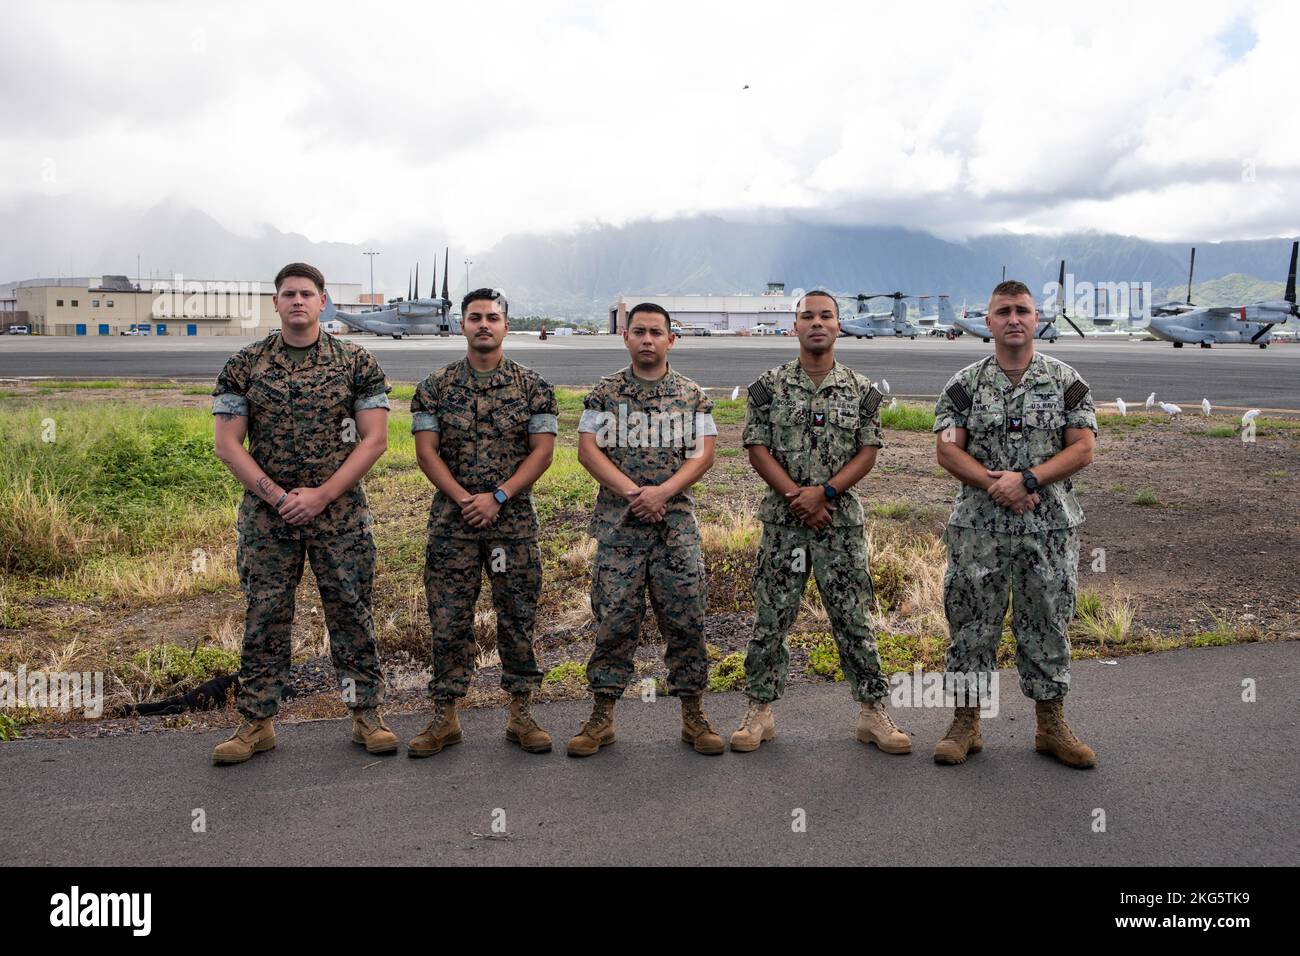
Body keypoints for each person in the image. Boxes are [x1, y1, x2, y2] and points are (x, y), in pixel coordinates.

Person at [210, 262, 395, 764]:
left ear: (322, 300)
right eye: (288, 293)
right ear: (275, 303)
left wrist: (321, 496)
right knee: (265, 616)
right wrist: (278, 497)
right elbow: (228, 444)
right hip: (269, 521)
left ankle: (366, 716)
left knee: (351, 612)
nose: (297, 301)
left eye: (306, 294)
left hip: (340, 518)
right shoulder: (245, 365)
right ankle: (256, 723)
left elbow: (373, 440)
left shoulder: (357, 363)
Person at [733, 290, 910, 755]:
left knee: (853, 618)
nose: (816, 322)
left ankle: (873, 712)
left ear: (838, 326)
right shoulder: (768, 387)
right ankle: (759, 711)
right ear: (794, 326)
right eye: (807, 316)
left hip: (838, 522)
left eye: (825, 316)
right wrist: (797, 496)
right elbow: (756, 447)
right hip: (784, 521)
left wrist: (824, 493)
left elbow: (868, 450)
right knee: (771, 618)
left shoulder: (862, 391)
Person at [932, 279, 1097, 768]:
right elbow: (947, 448)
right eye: (1003, 311)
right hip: (979, 530)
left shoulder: (1067, 382)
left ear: (1036, 318)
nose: (1013, 319)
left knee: (1048, 622)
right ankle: (966, 723)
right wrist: (994, 484)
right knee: (970, 624)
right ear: (988, 321)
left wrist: (1027, 480)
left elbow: (1083, 447)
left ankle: (1051, 725)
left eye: (1022, 310)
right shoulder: (964, 386)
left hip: (1047, 530)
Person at [406, 288, 558, 757]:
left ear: (506, 326)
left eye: (493, 317)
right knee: (449, 620)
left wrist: (498, 496)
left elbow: (543, 452)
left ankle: (521, 713)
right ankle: (445, 715)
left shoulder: (534, 387)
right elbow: (426, 451)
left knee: (517, 618)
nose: (484, 325)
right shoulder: (435, 386)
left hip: (512, 525)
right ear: (462, 325)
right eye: (475, 318)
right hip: (453, 525)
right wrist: (463, 499)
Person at [567, 303, 722, 757]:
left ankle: (694, 716)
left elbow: (704, 453)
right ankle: (601, 717)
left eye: (657, 332)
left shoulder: (693, 394)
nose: (648, 339)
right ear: (626, 337)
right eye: (639, 331)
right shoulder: (604, 393)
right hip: (621, 531)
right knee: (613, 621)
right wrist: (636, 493)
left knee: (686, 622)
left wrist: (663, 494)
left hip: (675, 531)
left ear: (672, 339)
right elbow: (587, 451)